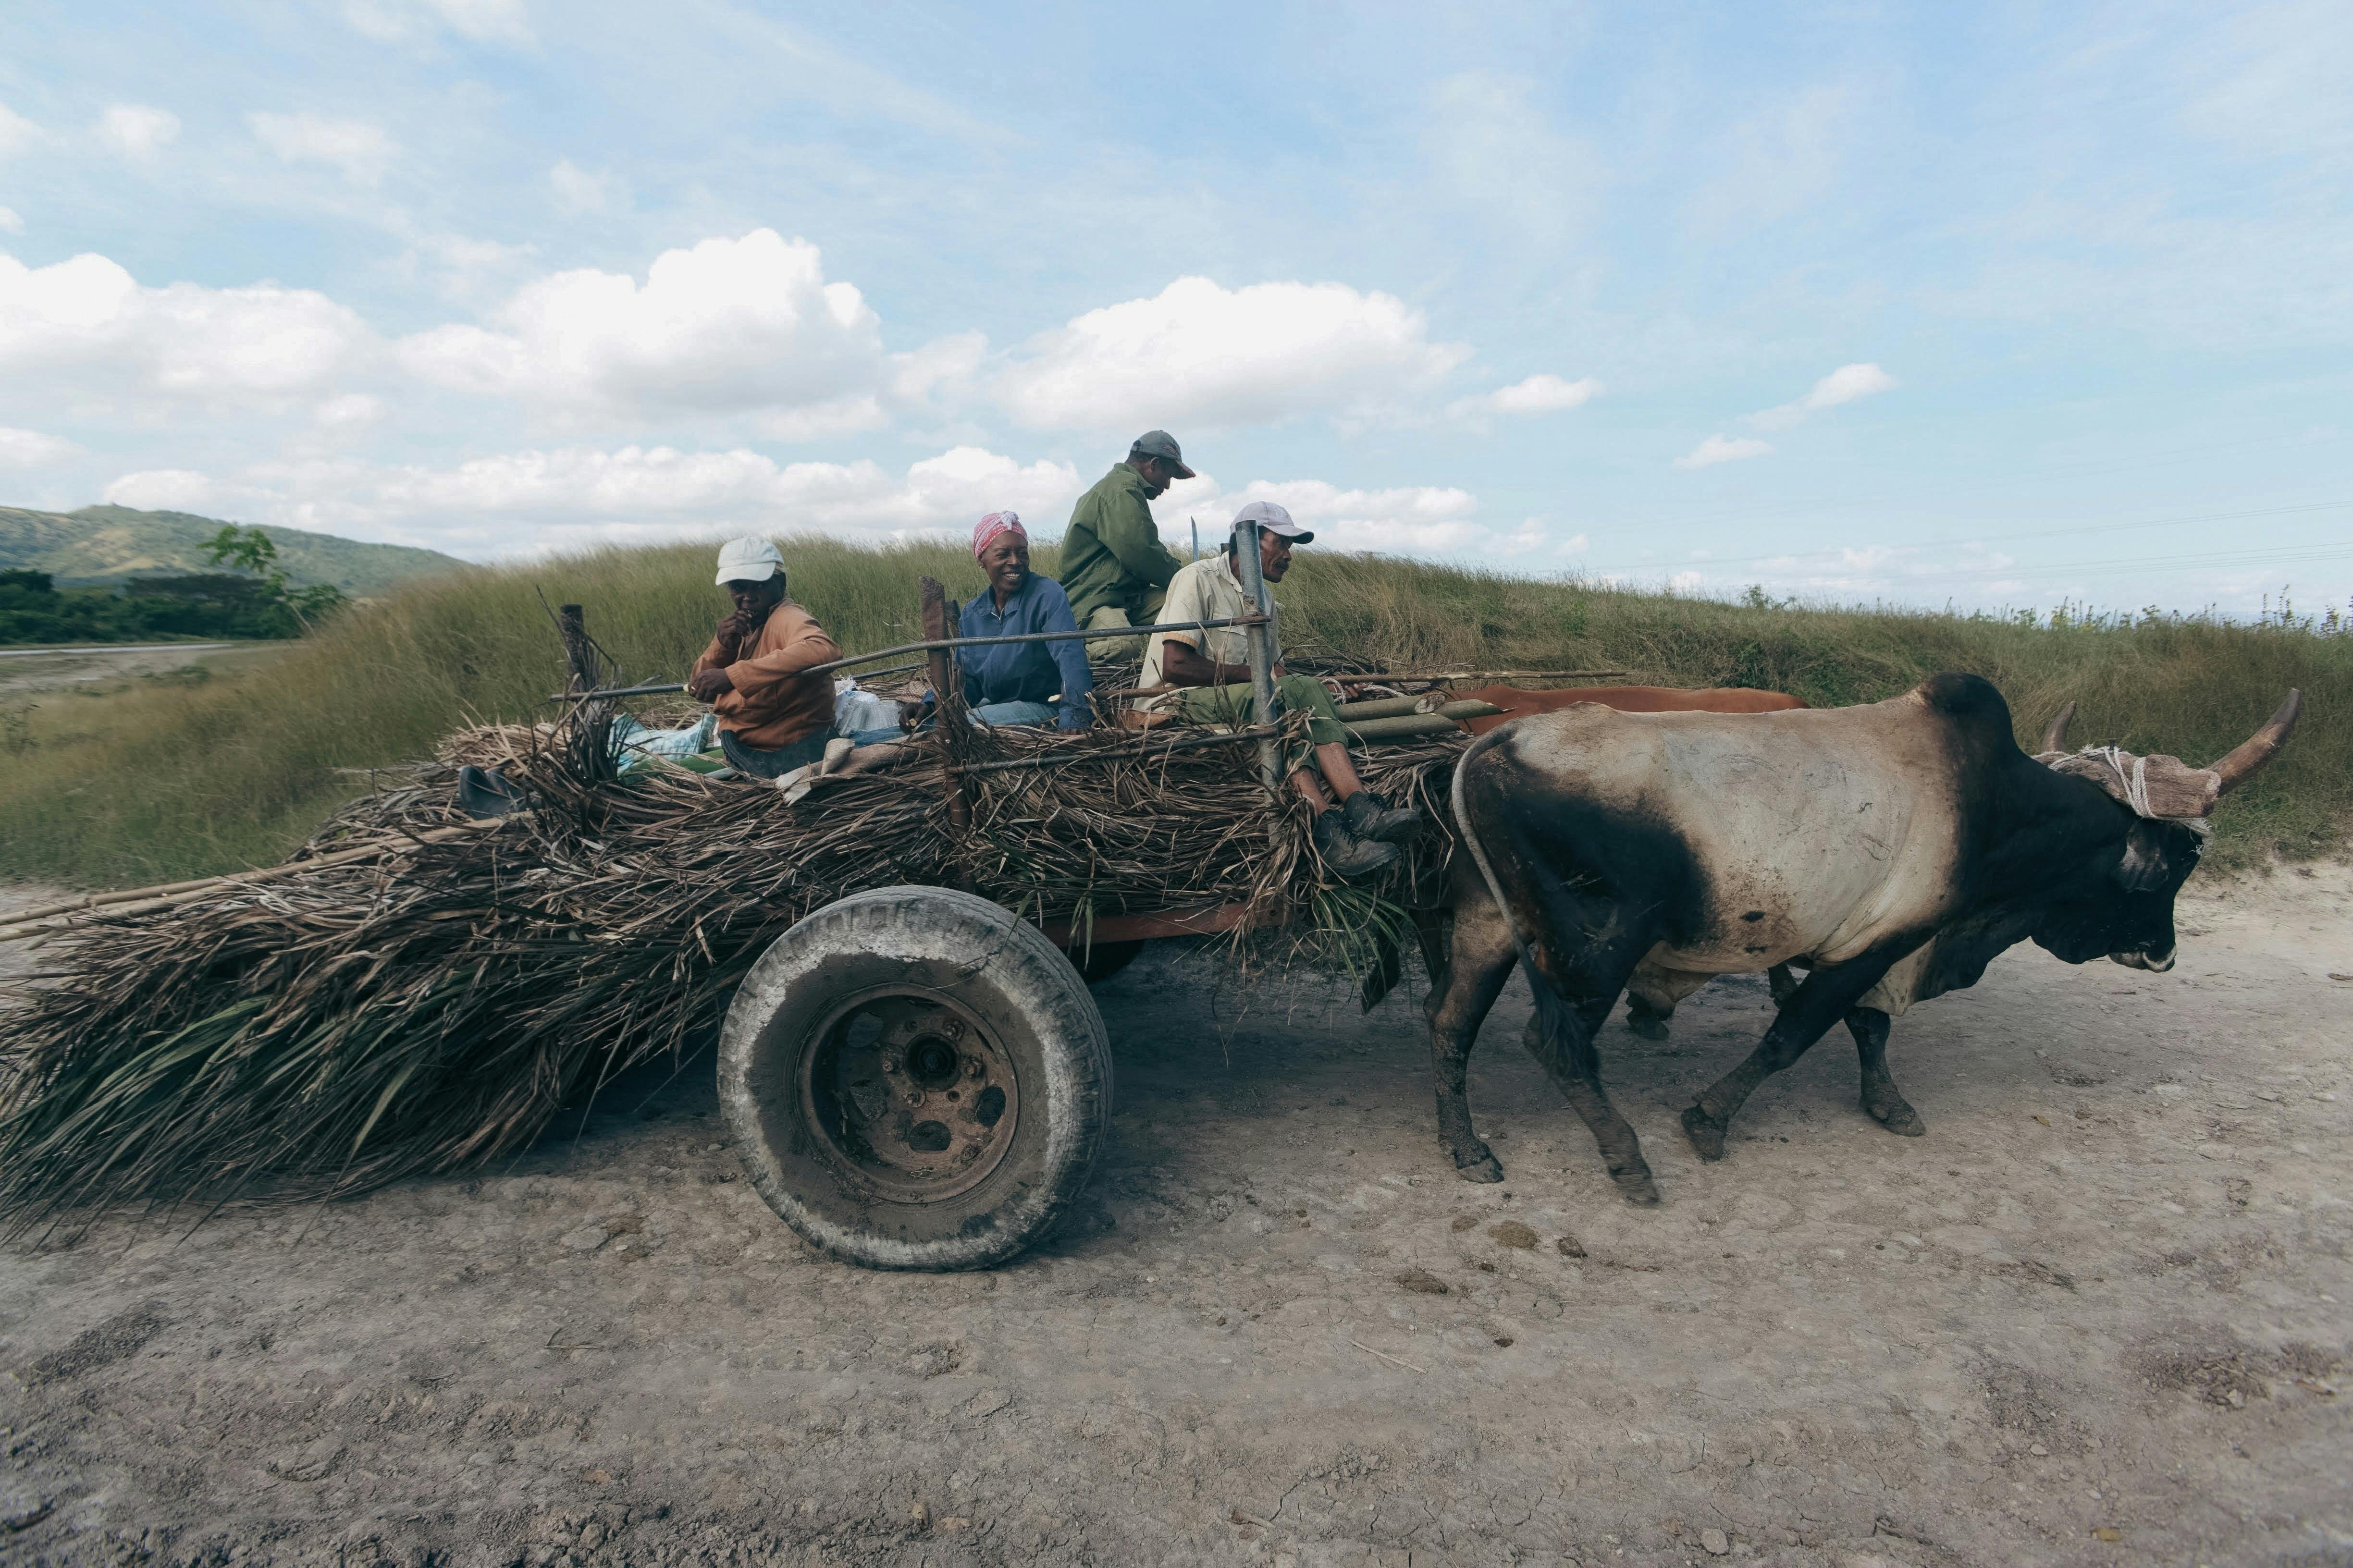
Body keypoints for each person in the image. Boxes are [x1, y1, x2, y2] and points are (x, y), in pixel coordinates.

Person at [1139, 501, 1421, 878]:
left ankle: (1357, 811)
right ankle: (1330, 825)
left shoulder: (1266, 600)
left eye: (1290, 546)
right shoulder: (1197, 579)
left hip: (1238, 700)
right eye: (1282, 543)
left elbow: (1278, 675)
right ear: (1249, 543)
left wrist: (1327, 689)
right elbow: (1176, 665)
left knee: (1291, 695)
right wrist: (1262, 677)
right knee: (1280, 693)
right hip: (1174, 702)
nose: (1288, 555)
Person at [685, 536, 843, 778]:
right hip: (742, 746)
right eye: (738, 588)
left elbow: (822, 648)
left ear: (780, 583)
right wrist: (722, 646)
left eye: (758, 586)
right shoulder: (746, 626)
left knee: (647, 771)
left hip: (780, 751)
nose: (747, 597)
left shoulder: (788, 617)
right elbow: (699, 688)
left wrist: (733, 675)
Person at [1057, 429, 1193, 656]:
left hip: (1128, 598)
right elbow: (1142, 554)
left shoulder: (1123, 488)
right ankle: (1072, 664)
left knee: (1192, 607)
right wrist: (1187, 578)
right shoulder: (1121, 489)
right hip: (1093, 600)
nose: (1168, 485)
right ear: (1154, 465)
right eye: (1168, 476)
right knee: (1122, 644)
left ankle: (1179, 668)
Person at [960, 511, 1094, 731]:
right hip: (999, 704)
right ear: (981, 559)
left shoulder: (1046, 595)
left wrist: (1075, 716)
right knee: (932, 721)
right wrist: (930, 704)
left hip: (1044, 705)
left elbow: (1071, 657)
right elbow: (968, 679)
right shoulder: (972, 614)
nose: (1015, 561)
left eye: (1022, 553)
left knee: (954, 725)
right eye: (1003, 554)